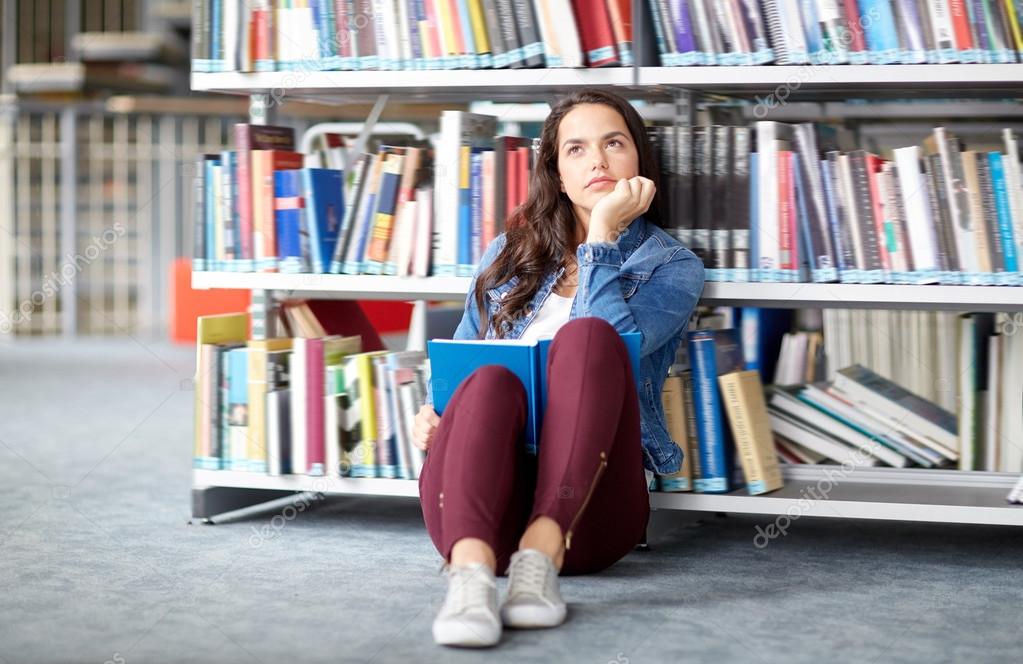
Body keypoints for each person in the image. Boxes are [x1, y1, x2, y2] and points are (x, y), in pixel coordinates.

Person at [412, 89, 705, 648]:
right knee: (490, 378)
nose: (597, 160)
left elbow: (614, 351)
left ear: (637, 159)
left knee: (587, 337)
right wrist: (431, 415)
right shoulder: (507, 252)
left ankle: (537, 564)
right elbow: (456, 366)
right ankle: (469, 580)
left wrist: (601, 238)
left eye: (613, 143)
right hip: (477, 503)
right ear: (556, 171)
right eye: (576, 149)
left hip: (588, 514)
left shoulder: (673, 265)